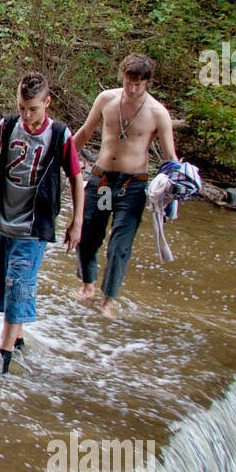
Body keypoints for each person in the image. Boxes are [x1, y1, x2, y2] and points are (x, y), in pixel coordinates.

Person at [0, 72, 83, 373]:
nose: (28, 115)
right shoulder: (7, 126)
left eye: (34, 109)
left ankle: (4, 353)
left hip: (34, 225)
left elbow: (76, 178)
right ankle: (20, 338)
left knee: (18, 283)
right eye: (22, 108)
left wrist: (77, 222)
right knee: (6, 286)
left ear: (47, 102)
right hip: (3, 220)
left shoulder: (60, 135)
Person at [70, 53, 178, 319]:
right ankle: (88, 286)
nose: (132, 89)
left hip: (132, 186)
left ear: (147, 83)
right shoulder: (106, 100)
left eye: (138, 85)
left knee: (119, 244)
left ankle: (109, 300)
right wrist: (61, 158)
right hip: (103, 181)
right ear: (122, 76)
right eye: (128, 82)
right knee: (88, 235)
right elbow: (84, 132)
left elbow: (170, 159)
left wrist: (174, 192)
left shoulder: (157, 113)